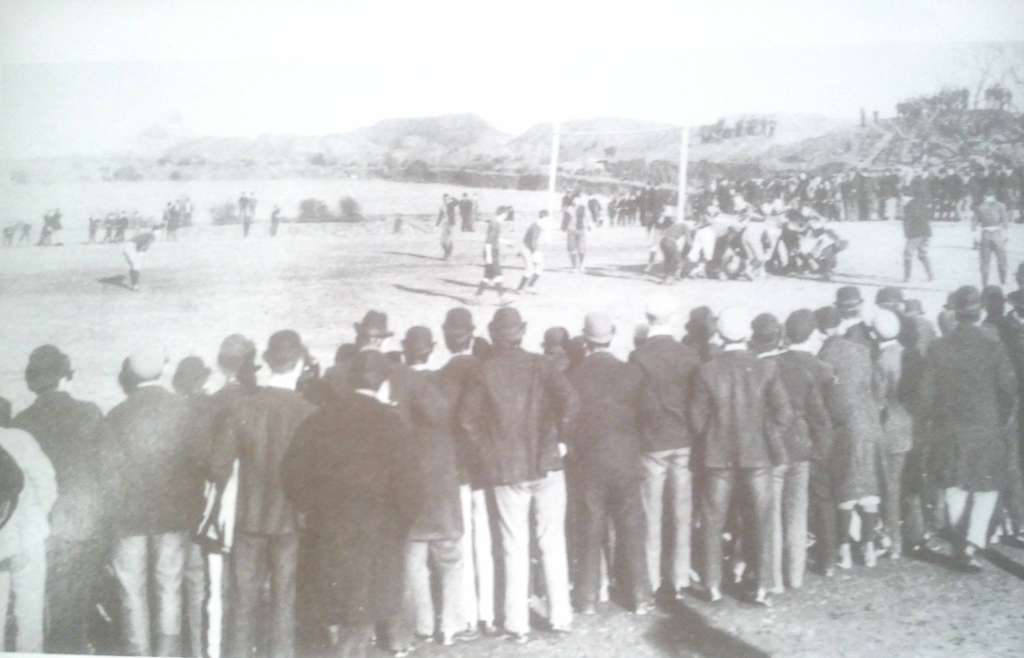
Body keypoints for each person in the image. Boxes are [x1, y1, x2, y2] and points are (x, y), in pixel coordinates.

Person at [281, 350, 423, 658]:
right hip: (379, 533)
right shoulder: (392, 422)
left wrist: (310, 510)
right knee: (361, 612)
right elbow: (410, 485)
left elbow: (293, 472)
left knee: (339, 609)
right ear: (383, 383)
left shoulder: (319, 418)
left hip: (330, 530)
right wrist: (401, 521)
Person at [459, 307, 580, 642]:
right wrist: (561, 440)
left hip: (507, 470)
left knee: (514, 545)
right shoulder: (542, 365)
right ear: (523, 331)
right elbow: (571, 401)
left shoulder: (485, 371)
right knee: (552, 541)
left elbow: (467, 421)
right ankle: (560, 616)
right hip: (547, 464)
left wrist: (489, 454)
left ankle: (517, 623)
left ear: (494, 335)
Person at [210, 331, 317, 658]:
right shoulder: (310, 412)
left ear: (268, 363)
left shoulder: (244, 407)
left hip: (249, 517)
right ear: (299, 363)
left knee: (243, 598)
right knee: (284, 597)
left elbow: (218, 465)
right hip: (290, 520)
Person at [103, 347, 202, 657]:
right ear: (163, 372)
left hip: (129, 518)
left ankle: (138, 651)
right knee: (169, 587)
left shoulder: (117, 414)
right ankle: (168, 653)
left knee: (131, 591)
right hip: (173, 516)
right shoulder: (183, 409)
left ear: (130, 376)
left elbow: (108, 470)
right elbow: (197, 462)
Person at [689, 307, 791, 605]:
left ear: (719, 336)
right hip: (757, 455)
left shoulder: (706, 369)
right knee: (761, 519)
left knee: (712, 519)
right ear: (747, 335)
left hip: (717, 455)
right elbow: (783, 412)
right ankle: (761, 585)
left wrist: (712, 436)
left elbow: (696, 418)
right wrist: (765, 432)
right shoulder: (765, 368)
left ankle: (712, 584)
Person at [11, 346, 109, 654]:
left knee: (40, 604)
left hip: (42, 526)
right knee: (76, 605)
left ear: (31, 382)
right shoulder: (91, 412)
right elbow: (107, 468)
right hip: (84, 523)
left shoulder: (21, 423)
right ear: (67, 374)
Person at [921, 286, 1018, 571]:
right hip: (986, 427)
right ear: (981, 312)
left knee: (955, 485)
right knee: (986, 488)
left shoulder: (938, 347)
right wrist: (999, 419)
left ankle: (960, 541)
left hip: (950, 427)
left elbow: (926, 395)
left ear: (953, 312)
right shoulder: (993, 346)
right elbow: (1009, 389)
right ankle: (973, 542)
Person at [567, 312, 653, 615]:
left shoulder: (573, 375)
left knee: (590, 527)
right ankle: (641, 595)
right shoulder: (631, 373)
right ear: (613, 334)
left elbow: (570, 423)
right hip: (626, 459)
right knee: (632, 525)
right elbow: (645, 419)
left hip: (590, 461)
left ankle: (586, 597)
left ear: (585, 338)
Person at [389, 327, 464, 648]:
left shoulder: (396, 388)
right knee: (449, 558)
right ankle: (450, 626)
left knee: (413, 559)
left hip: (410, 484)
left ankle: (422, 625)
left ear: (405, 351)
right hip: (443, 484)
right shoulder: (442, 385)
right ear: (431, 350)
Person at [628, 293, 701, 599]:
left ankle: (653, 577)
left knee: (652, 511)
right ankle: (680, 575)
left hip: (653, 441)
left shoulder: (639, 357)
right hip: (683, 439)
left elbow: (637, 403)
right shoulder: (689, 355)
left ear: (647, 319)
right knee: (681, 511)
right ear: (673, 318)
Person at [752, 314, 831, 592]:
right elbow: (818, 416)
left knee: (770, 516)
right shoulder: (801, 371)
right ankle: (795, 574)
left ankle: (773, 580)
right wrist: (819, 449)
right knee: (797, 514)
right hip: (800, 446)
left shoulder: (760, 368)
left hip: (771, 448)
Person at [436, 309, 495, 637]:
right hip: (484, 467)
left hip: (455, 469)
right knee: (485, 541)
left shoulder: (438, 377)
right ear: (472, 336)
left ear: (446, 339)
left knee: (463, 542)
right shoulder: (485, 371)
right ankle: (488, 611)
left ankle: (469, 614)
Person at [818, 304, 885, 570]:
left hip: (844, 428)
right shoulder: (862, 351)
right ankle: (868, 548)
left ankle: (844, 549)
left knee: (846, 489)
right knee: (869, 488)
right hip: (870, 423)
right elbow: (877, 388)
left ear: (822, 329)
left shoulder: (823, 356)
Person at [786, 310, 839, 576]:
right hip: (817, 440)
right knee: (822, 498)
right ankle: (828, 559)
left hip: (790, 441)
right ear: (812, 335)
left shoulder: (777, 364)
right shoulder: (824, 368)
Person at [0, 419, 57, 653]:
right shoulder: (19, 439)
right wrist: (35, 518)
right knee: (30, 610)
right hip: (27, 535)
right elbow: (46, 483)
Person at [872, 310, 914, 559]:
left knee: (889, 487)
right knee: (902, 485)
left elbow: (878, 400)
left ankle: (892, 541)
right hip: (907, 424)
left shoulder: (881, 361)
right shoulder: (907, 353)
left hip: (889, 429)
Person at [474, 207, 509, 305]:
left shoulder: (496, 223)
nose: (506, 216)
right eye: (506, 214)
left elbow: (496, 238)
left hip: (493, 252)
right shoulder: (494, 224)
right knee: (499, 275)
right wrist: (489, 256)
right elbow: (488, 241)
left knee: (487, 276)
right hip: (491, 252)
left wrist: (507, 242)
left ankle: (477, 297)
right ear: (503, 214)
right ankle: (502, 299)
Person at [902, 190, 933, 282]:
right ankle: (930, 274)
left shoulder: (909, 206)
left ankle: (907, 277)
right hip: (926, 232)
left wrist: (907, 233)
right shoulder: (923, 204)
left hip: (915, 233)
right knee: (922, 254)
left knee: (907, 254)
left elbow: (908, 220)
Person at [835, 286, 873, 350]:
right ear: (838, 306)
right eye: (845, 306)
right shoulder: (836, 323)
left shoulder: (869, 321)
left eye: (853, 306)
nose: (849, 309)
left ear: (861, 303)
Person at [517, 210, 546, 293]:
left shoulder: (537, 226)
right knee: (530, 269)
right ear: (544, 218)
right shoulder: (536, 227)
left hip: (528, 248)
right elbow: (532, 242)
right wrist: (535, 252)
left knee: (539, 267)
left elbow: (529, 239)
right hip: (527, 249)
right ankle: (519, 288)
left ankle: (529, 286)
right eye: (547, 219)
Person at [437, 194, 458, 260]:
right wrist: (436, 225)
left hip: (451, 225)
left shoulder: (451, 205)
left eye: (447, 199)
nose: (446, 200)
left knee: (450, 240)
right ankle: (446, 253)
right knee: (442, 241)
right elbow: (440, 217)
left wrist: (451, 197)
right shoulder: (442, 207)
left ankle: (448, 255)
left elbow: (457, 201)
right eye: (444, 199)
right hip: (445, 224)